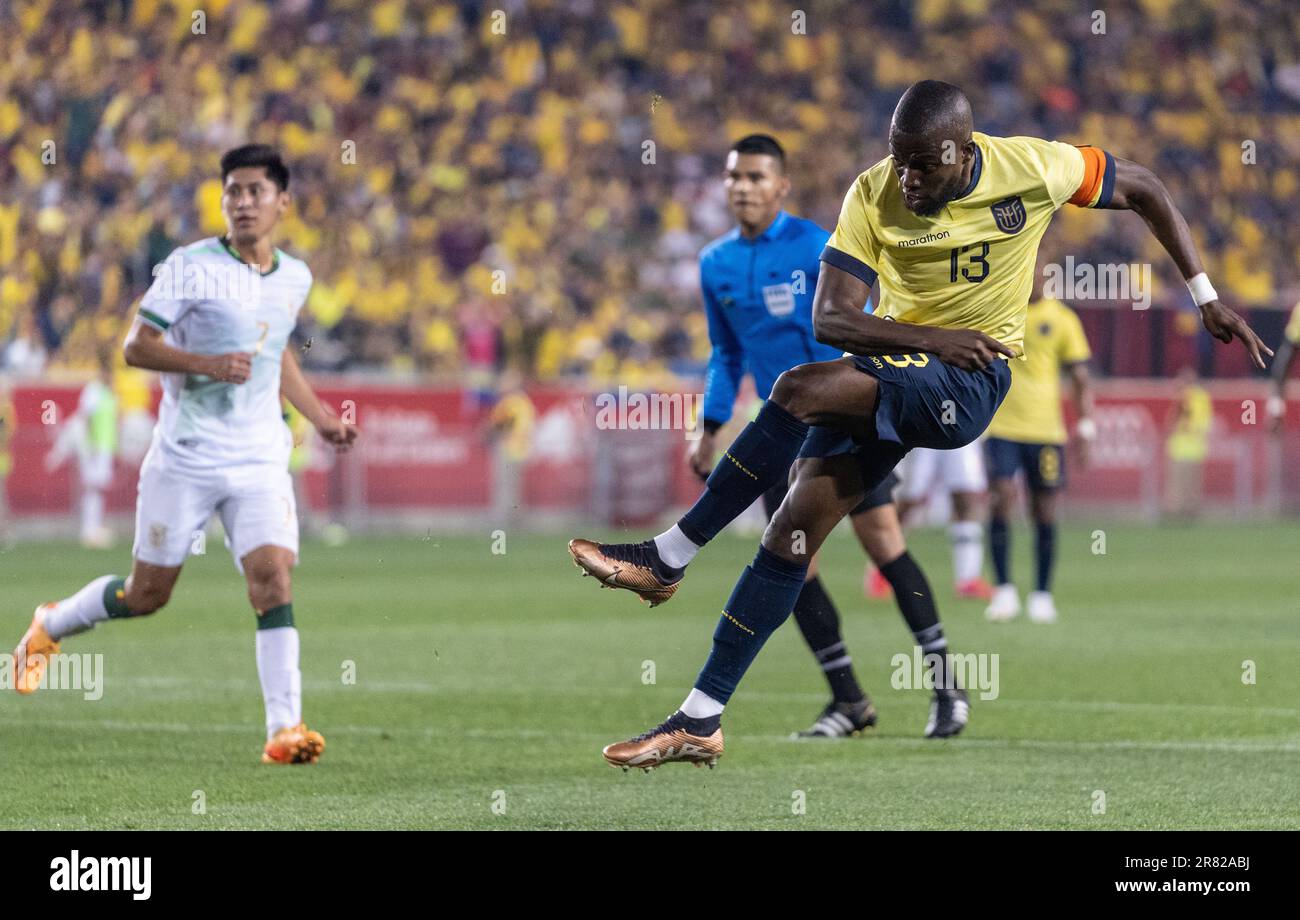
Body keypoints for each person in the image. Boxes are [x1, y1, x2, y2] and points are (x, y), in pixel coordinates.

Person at [569, 80, 1270, 770]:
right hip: (905, 365)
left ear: (961, 154)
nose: (904, 177)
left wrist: (1203, 295)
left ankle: (669, 556)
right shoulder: (872, 192)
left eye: (921, 164)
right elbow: (831, 319)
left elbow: (1143, 186)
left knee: (795, 388)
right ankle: (701, 716)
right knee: (791, 532)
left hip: (970, 383)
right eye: (896, 157)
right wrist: (935, 337)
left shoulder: (1034, 167)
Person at [576, 133, 967, 739]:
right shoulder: (715, 263)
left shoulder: (817, 244)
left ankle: (947, 690)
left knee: (884, 544)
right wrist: (708, 429)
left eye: (757, 177)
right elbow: (726, 352)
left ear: (781, 186)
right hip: (777, 435)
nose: (743, 187)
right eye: (734, 177)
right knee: (795, 563)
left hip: (846, 419)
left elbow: (867, 315)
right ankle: (848, 700)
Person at [11, 145, 358, 765]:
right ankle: (52, 622)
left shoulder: (295, 276)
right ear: (223, 201)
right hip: (186, 457)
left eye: (256, 191)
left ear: (282, 201)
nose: (243, 202)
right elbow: (135, 348)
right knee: (148, 595)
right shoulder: (190, 266)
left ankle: (285, 729)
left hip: (258, 456)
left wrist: (321, 418)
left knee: (272, 578)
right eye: (233, 192)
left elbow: (276, 352)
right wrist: (207, 364)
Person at [983, 283, 1094, 624]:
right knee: (1001, 498)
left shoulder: (1062, 318)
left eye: (1040, 268)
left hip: (1046, 431)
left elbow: (1079, 376)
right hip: (1001, 427)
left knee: (1044, 510)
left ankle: (1042, 594)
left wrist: (1086, 425)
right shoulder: (999, 310)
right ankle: (1003, 590)